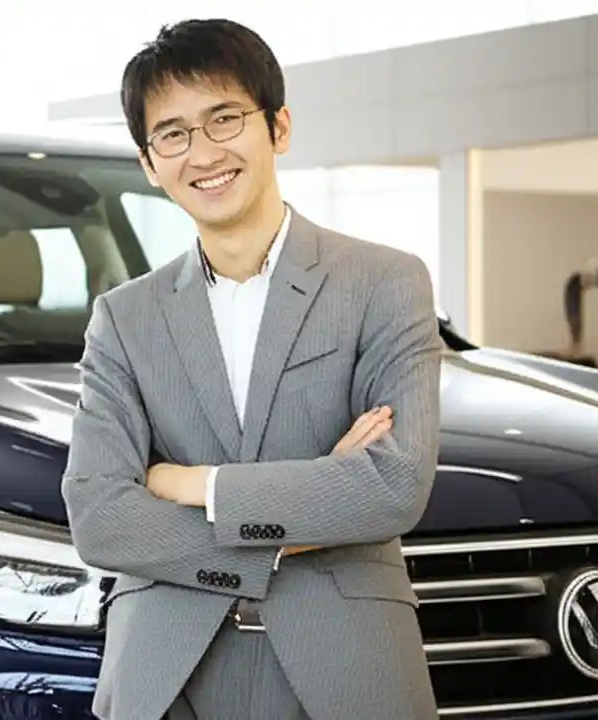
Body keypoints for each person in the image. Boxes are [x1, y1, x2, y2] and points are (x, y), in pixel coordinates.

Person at [61, 18, 443, 720]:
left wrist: (193, 485)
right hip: (163, 671)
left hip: (346, 666)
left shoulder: (385, 282)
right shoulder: (123, 318)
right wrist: (306, 516)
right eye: (172, 134)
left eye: (224, 118)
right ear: (149, 164)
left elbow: (392, 487)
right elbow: (100, 518)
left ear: (279, 127)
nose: (202, 152)